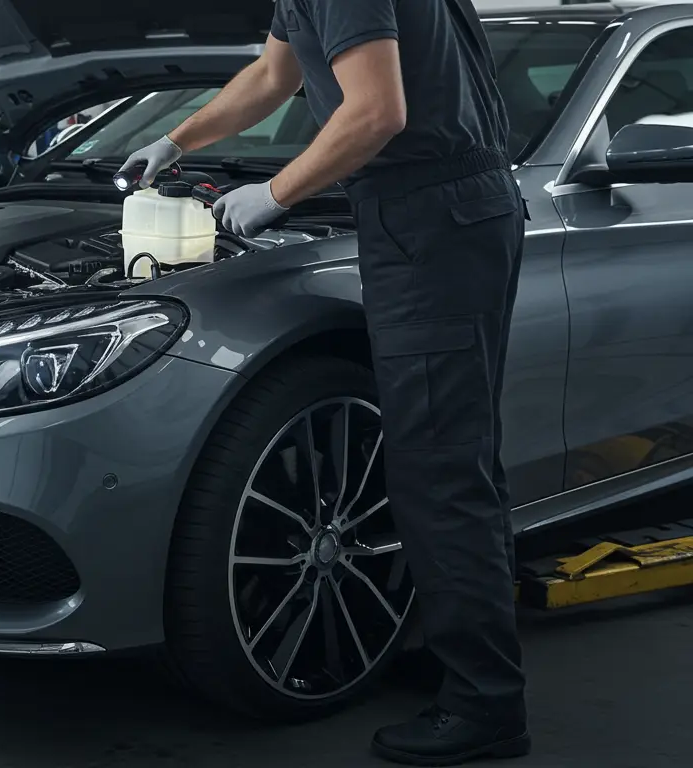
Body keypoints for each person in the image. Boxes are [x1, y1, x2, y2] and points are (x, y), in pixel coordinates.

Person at [118, 1, 529, 765]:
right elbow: (273, 74)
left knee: (439, 466)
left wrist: (275, 194)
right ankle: (461, 654)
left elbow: (376, 111)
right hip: (433, 214)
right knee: (453, 456)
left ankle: (485, 702)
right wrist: (177, 140)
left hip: (429, 219)